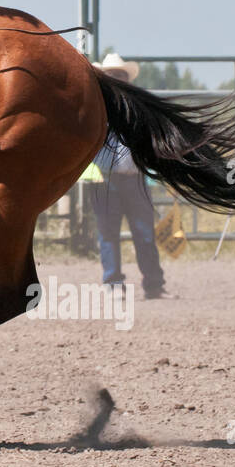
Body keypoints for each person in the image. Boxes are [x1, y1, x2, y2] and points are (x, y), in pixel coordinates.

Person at [89, 53, 168, 299]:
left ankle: (153, 284)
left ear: (126, 78)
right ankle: (115, 283)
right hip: (105, 177)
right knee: (109, 233)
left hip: (134, 178)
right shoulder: (96, 105)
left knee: (144, 234)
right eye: (112, 75)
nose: (116, 78)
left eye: (120, 75)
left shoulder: (136, 106)